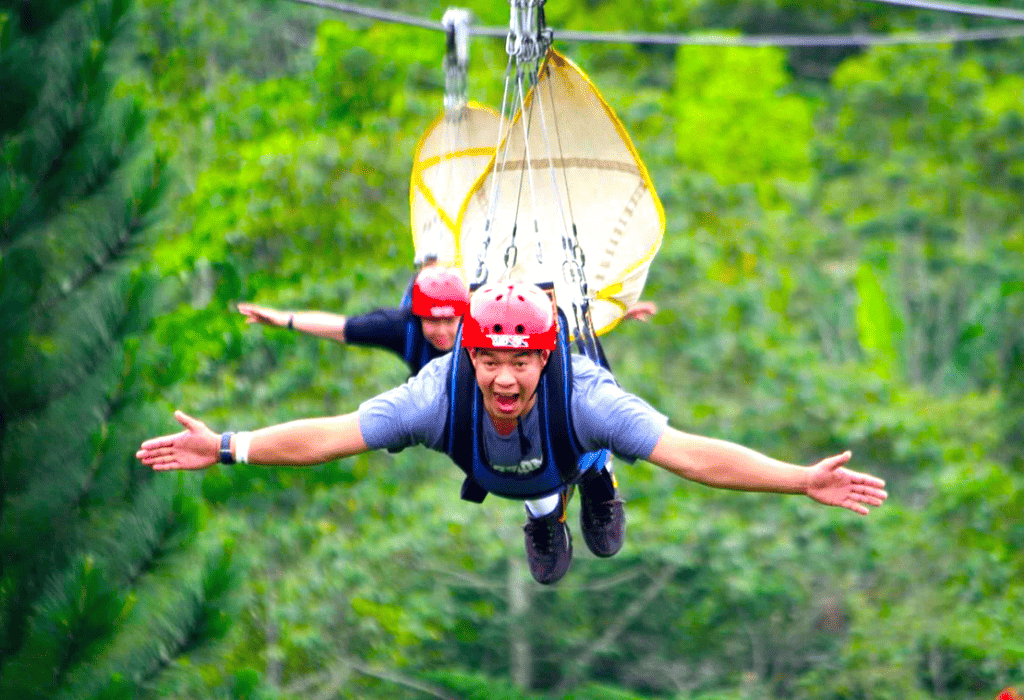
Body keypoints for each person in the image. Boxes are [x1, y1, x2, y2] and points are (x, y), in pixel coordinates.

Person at [137, 282, 888, 585]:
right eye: (489, 360)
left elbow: (689, 452)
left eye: (520, 363)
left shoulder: (584, 391)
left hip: (570, 443)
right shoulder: (434, 393)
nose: (503, 379)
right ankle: (547, 514)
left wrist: (799, 478)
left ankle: (595, 486)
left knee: (587, 448)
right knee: (524, 479)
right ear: (467, 353)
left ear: (545, 356)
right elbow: (331, 436)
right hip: (504, 473)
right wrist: (230, 444)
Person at [237, 265, 470, 375]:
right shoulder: (398, 327)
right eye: (431, 322)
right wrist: (284, 320)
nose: (441, 331)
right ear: (417, 316)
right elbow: (340, 328)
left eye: (449, 322)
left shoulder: (478, 323)